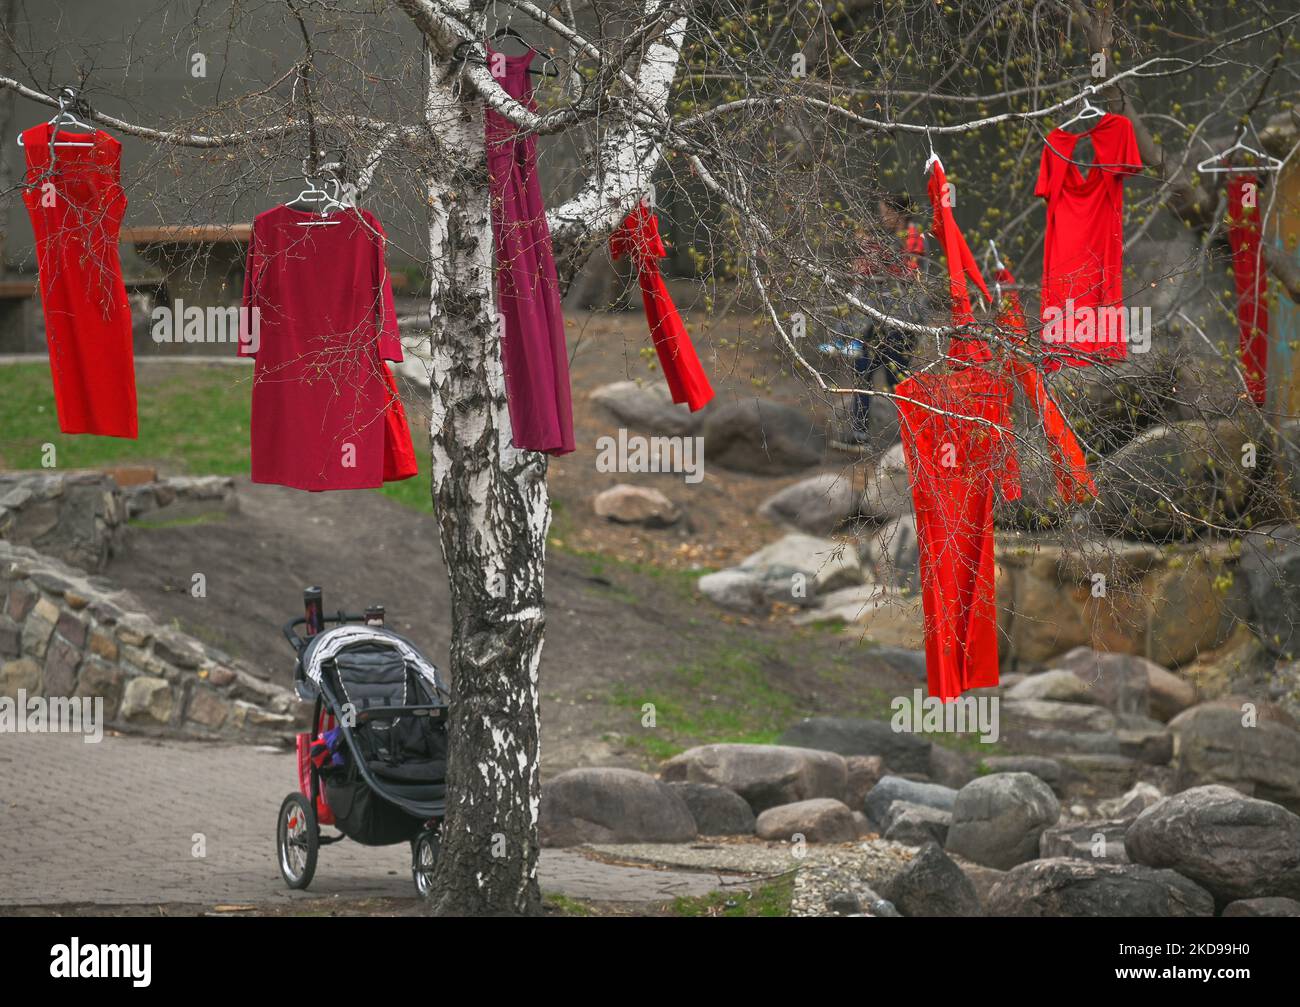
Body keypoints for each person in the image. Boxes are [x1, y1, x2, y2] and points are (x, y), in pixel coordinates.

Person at [834, 193, 926, 450]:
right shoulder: (889, 240)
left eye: (885, 211)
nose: (882, 217)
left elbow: (906, 273)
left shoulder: (913, 239)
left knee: (897, 378)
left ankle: (917, 434)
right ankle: (860, 434)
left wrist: (873, 255)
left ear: (899, 214)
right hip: (879, 322)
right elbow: (864, 270)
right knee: (864, 369)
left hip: (903, 323)